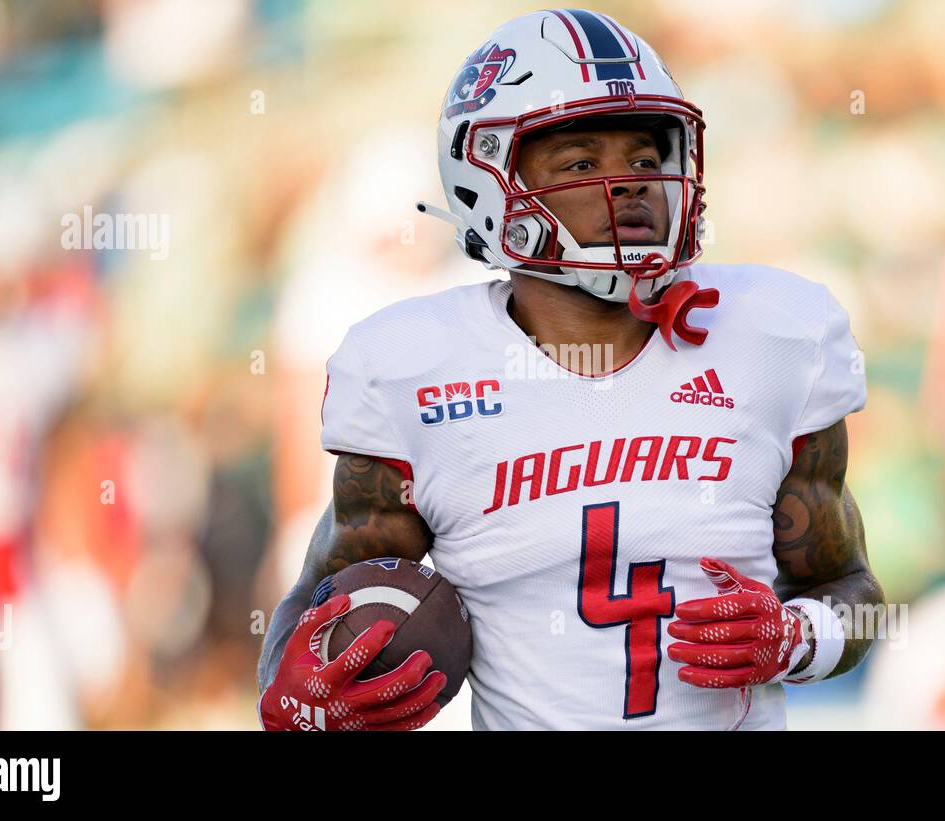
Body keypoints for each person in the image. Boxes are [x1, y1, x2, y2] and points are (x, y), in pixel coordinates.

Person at [258, 8, 882, 730]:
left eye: (646, 159)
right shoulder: (415, 372)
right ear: (488, 181)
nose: (632, 185)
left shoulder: (774, 336)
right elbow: (320, 595)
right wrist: (294, 689)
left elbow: (850, 585)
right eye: (583, 162)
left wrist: (798, 636)